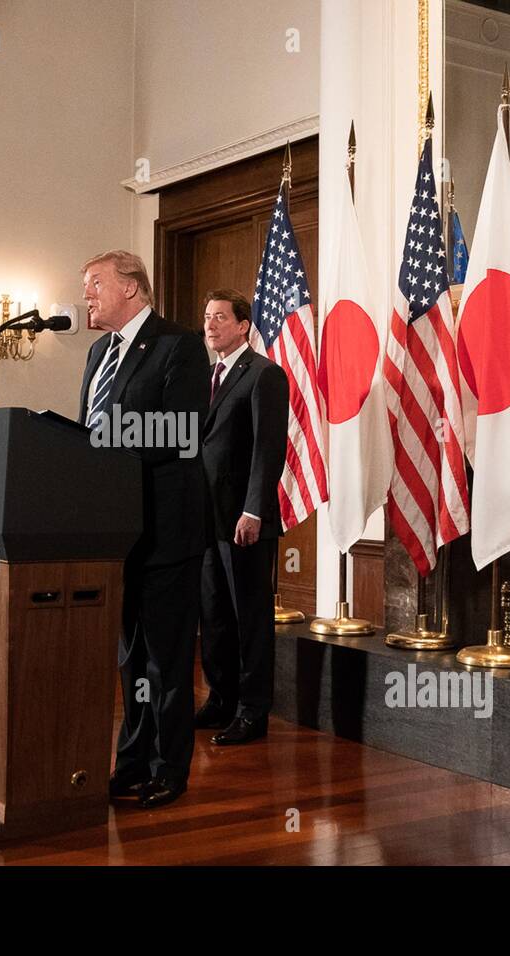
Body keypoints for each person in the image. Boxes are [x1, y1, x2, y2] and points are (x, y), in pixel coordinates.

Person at [78, 250, 208, 809]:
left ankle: (168, 768)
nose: (87, 295)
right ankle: (131, 761)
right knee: (130, 658)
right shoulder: (96, 352)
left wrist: (104, 441)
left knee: (167, 659)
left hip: (167, 529)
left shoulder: (177, 345)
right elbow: (87, 429)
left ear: (131, 287)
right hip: (115, 531)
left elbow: (180, 430)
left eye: (95, 284)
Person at [196, 290, 288, 745]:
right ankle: (221, 699)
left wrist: (253, 509)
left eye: (219, 318)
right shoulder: (204, 376)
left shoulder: (264, 375)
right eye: (206, 317)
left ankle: (253, 712)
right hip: (205, 520)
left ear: (243, 325)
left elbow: (268, 449)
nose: (209, 325)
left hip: (244, 522)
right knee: (213, 614)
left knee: (249, 617)